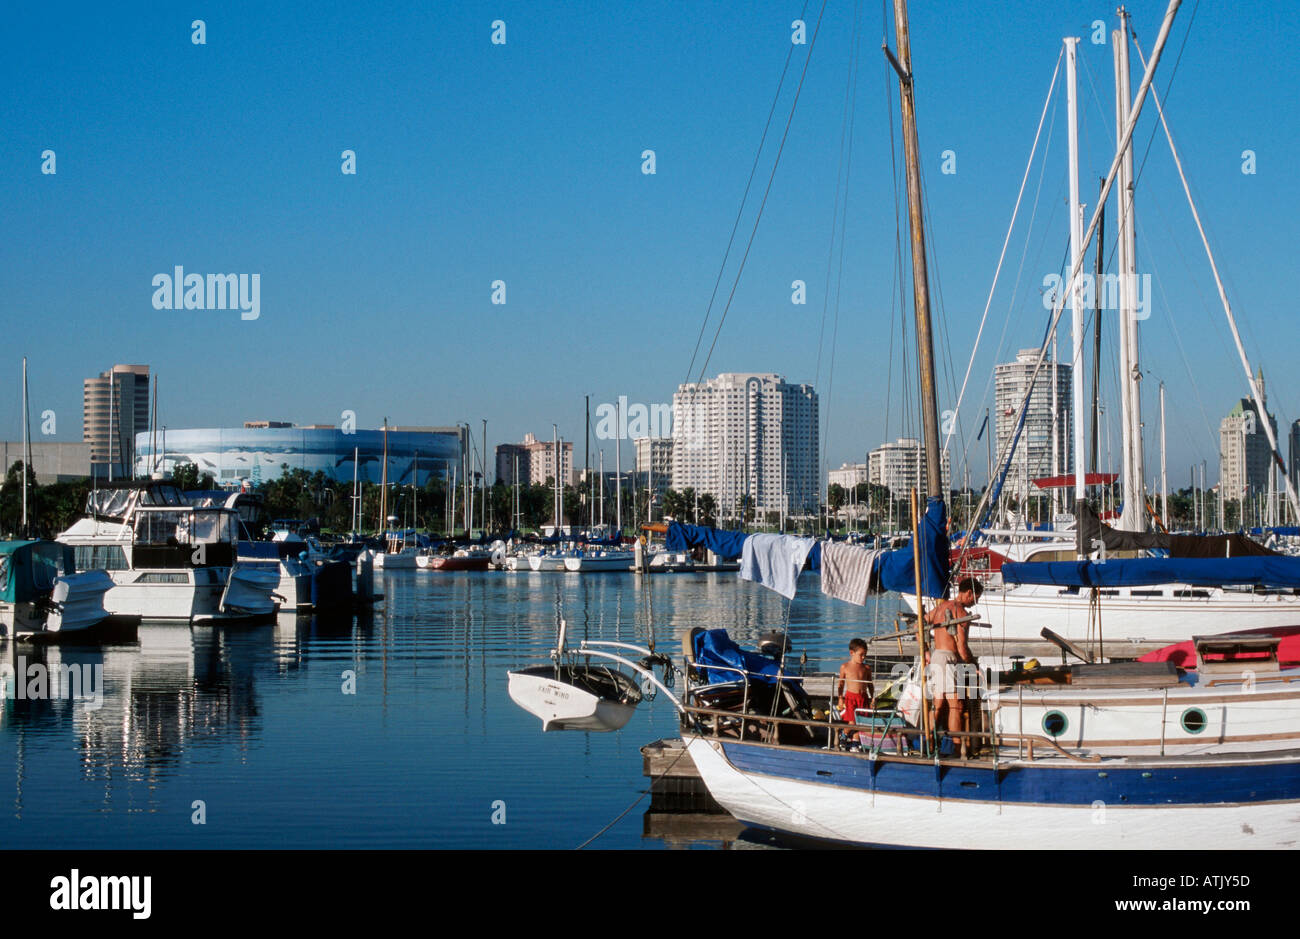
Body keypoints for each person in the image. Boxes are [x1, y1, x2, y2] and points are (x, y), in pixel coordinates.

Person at [925, 577, 983, 754]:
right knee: (955, 704)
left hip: (936, 656)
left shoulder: (941, 607)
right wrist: (973, 665)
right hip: (949, 659)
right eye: (976, 598)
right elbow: (962, 647)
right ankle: (957, 748)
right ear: (968, 593)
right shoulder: (962, 614)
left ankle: (929, 743)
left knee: (938, 703)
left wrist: (927, 651)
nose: (976, 602)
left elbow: (920, 625)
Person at [837, 638, 874, 723]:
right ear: (852, 653)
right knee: (852, 722)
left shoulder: (866, 668)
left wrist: (872, 698)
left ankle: (855, 736)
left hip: (863, 698)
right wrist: (840, 698)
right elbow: (841, 684)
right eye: (861, 655)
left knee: (863, 722)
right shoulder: (845, 667)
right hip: (851, 698)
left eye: (865, 655)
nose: (863, 657)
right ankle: (844, 734)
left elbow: (870, 685)